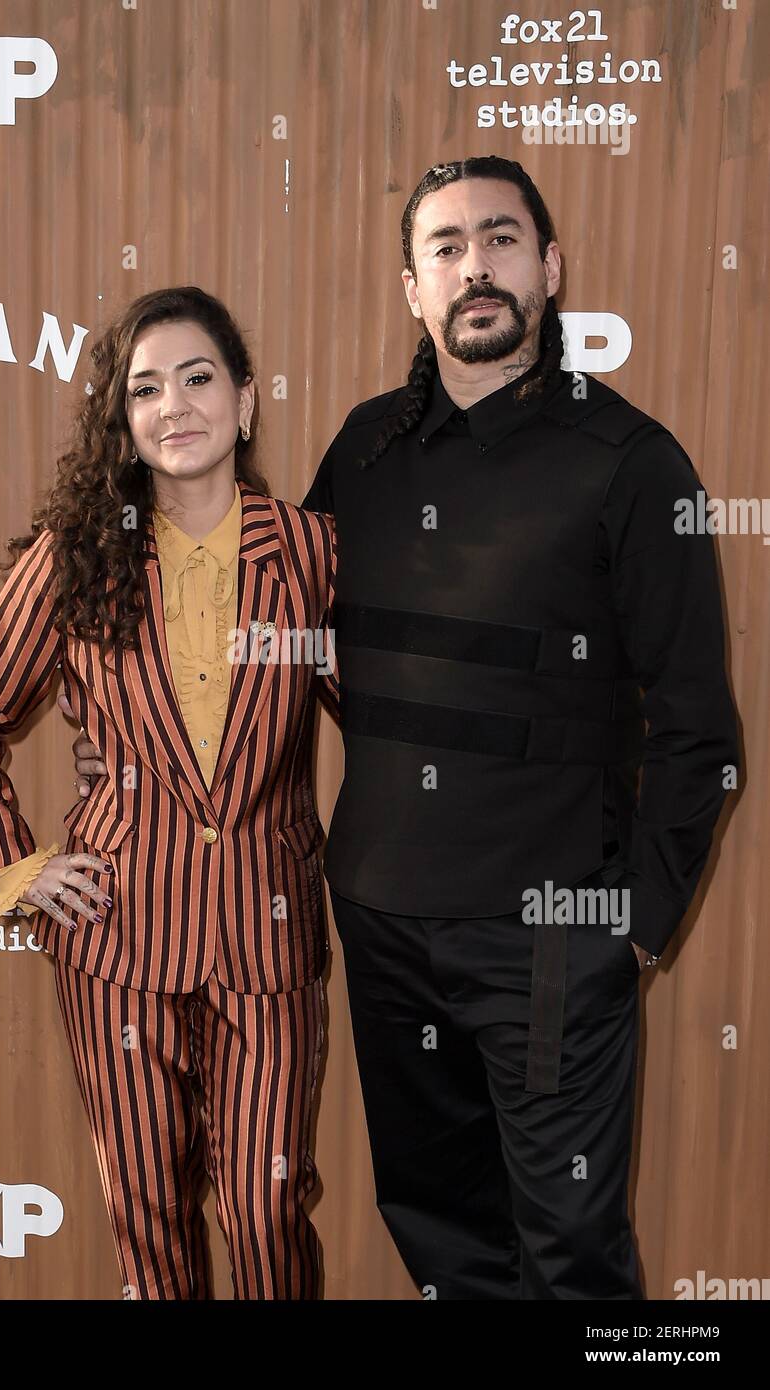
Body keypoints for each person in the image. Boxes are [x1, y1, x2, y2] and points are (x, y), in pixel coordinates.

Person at [76, 156, 739, 1300]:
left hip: (549, 935)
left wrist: (634, 923)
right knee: (441, 1236)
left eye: (500, 240)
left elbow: (696, 721)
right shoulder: (366, 449)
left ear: (550, 268)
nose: (473, 268)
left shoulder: (632, 462)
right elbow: (304, 642)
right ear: (412, 288)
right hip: (381, 918)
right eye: (446, 248)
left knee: (572, 1252)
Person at [0, 286, 338, 1300]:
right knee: (147, 1214)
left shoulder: (315, 553)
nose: (173, 405)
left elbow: (389, 714)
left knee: (265, 1204)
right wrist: (15, 868)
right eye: (144, 389)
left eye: (196, 378)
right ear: (125, 420)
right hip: (117, 934)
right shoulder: (76, 560)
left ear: (245, 401)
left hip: (267, 931)